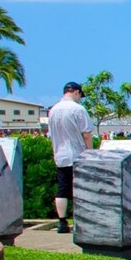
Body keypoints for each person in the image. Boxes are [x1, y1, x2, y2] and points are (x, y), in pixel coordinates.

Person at [47, 82, 93, 234]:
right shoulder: (78, 109)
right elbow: (86, 134)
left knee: (62, 189)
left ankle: (62, 221)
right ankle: (82, 221)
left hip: (60, 155)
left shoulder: (53, 110)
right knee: (80, 189)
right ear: (76, 93)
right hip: (78, 154)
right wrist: (91, 153)